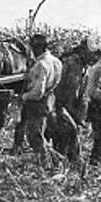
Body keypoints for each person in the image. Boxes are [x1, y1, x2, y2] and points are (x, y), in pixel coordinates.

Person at [15, 33, 62, 165]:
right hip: (49, 101)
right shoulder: (56, 62)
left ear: (37, 48)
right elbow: (55, 83)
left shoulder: (41, 65)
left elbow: (37, 92)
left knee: (35, 136)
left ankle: (47, 163)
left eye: (33, 47)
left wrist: (22, 97)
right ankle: (54, 161)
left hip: (36, 104)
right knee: (39, 132)